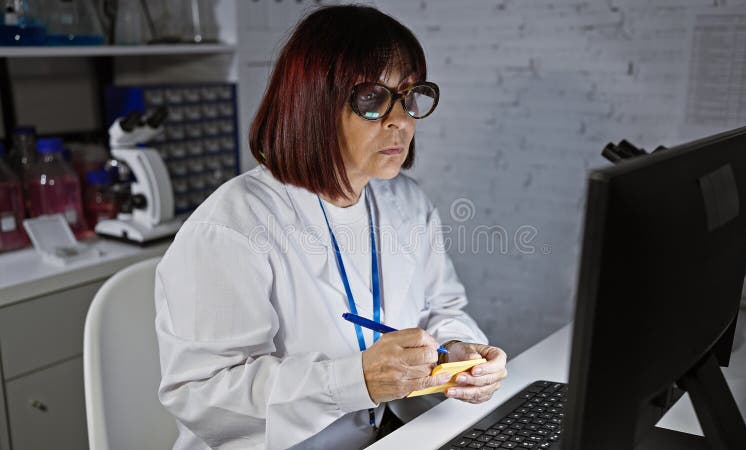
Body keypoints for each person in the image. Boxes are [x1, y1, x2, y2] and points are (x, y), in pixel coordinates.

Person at [154, 5, 508, 449]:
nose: (402, 120)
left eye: (410, 95)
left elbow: (442, 307)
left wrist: (460, 350)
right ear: (312, 105)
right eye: (373, 99)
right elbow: (201, 394)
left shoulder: (407, 203)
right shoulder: (231, 228)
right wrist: (353, 380)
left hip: (393, 435)